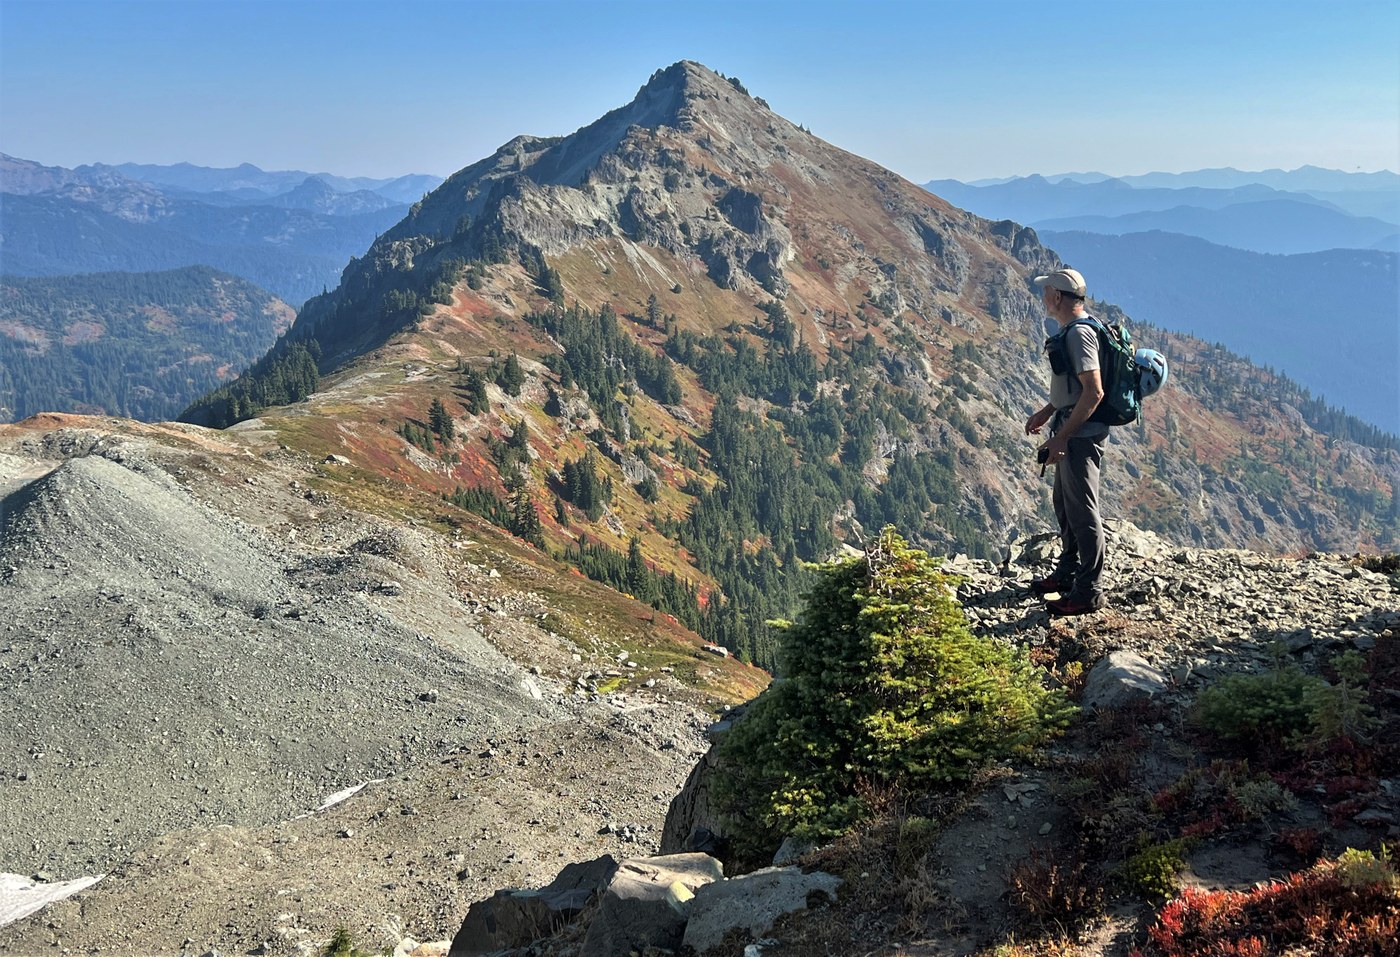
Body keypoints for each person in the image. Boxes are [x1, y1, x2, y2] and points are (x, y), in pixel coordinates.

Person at [1024, 267, 1107, 616]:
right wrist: (1047, 411)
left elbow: (1094, 392)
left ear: (1057, 296)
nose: (1043, 297)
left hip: (1080, 435)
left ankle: (1088, 592)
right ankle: (1068, 574)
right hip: (1069, 428)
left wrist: (1062, 437)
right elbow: (1073, 389)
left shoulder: (1079, 335)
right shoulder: (1074, 330)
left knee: (1083, 511)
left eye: (1047, 292)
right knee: (1064, 504)